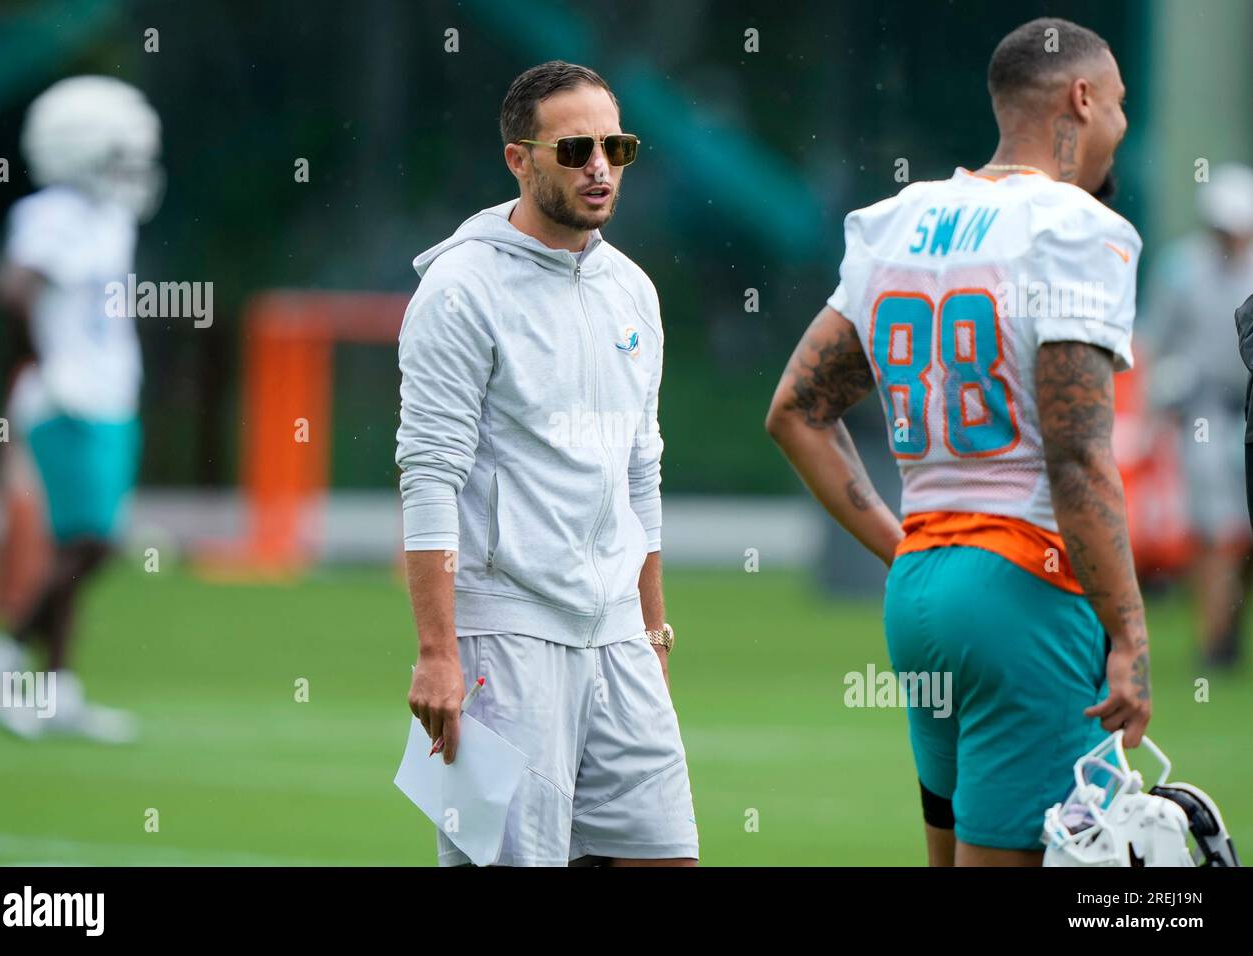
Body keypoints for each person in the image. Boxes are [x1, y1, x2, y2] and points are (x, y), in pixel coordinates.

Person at [766, 17, 1150, 865]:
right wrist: (1129, 634)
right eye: (1119, 106)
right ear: (1081, 100)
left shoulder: (898, 219)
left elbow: (795, 410)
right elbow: (1078, 458)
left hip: (921, 591)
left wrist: (908, 549)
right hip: (1028, 588)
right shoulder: (1076, 227)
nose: (1123, 127)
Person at [395, 61, 698, 867]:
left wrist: (652, 630)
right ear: (518, 159)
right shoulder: (461, 288)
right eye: (574, 150)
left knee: (666, 856)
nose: (599, 167)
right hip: (506, 636)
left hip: (619, 640)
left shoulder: (631, 288)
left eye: (616, 147)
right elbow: (430, 474)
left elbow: (642, 472)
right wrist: (437, 650)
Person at [0, 76, 162, 743]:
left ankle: (57, 692)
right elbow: (12, 287)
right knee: (94, 541)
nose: (132, 167)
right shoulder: (52, 212)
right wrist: (51, 364)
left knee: (74, 546)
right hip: (69, 396)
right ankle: (0, 658)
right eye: (119, 152)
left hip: (109, 393)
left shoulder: (108, 215)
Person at [1140, 163, 1253, 667]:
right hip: (1206, 412)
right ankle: (1216, 640)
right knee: (1216, 528)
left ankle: (1226, 629)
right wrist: (1155, 408)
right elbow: (1157, 342)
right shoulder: (1181, 269)